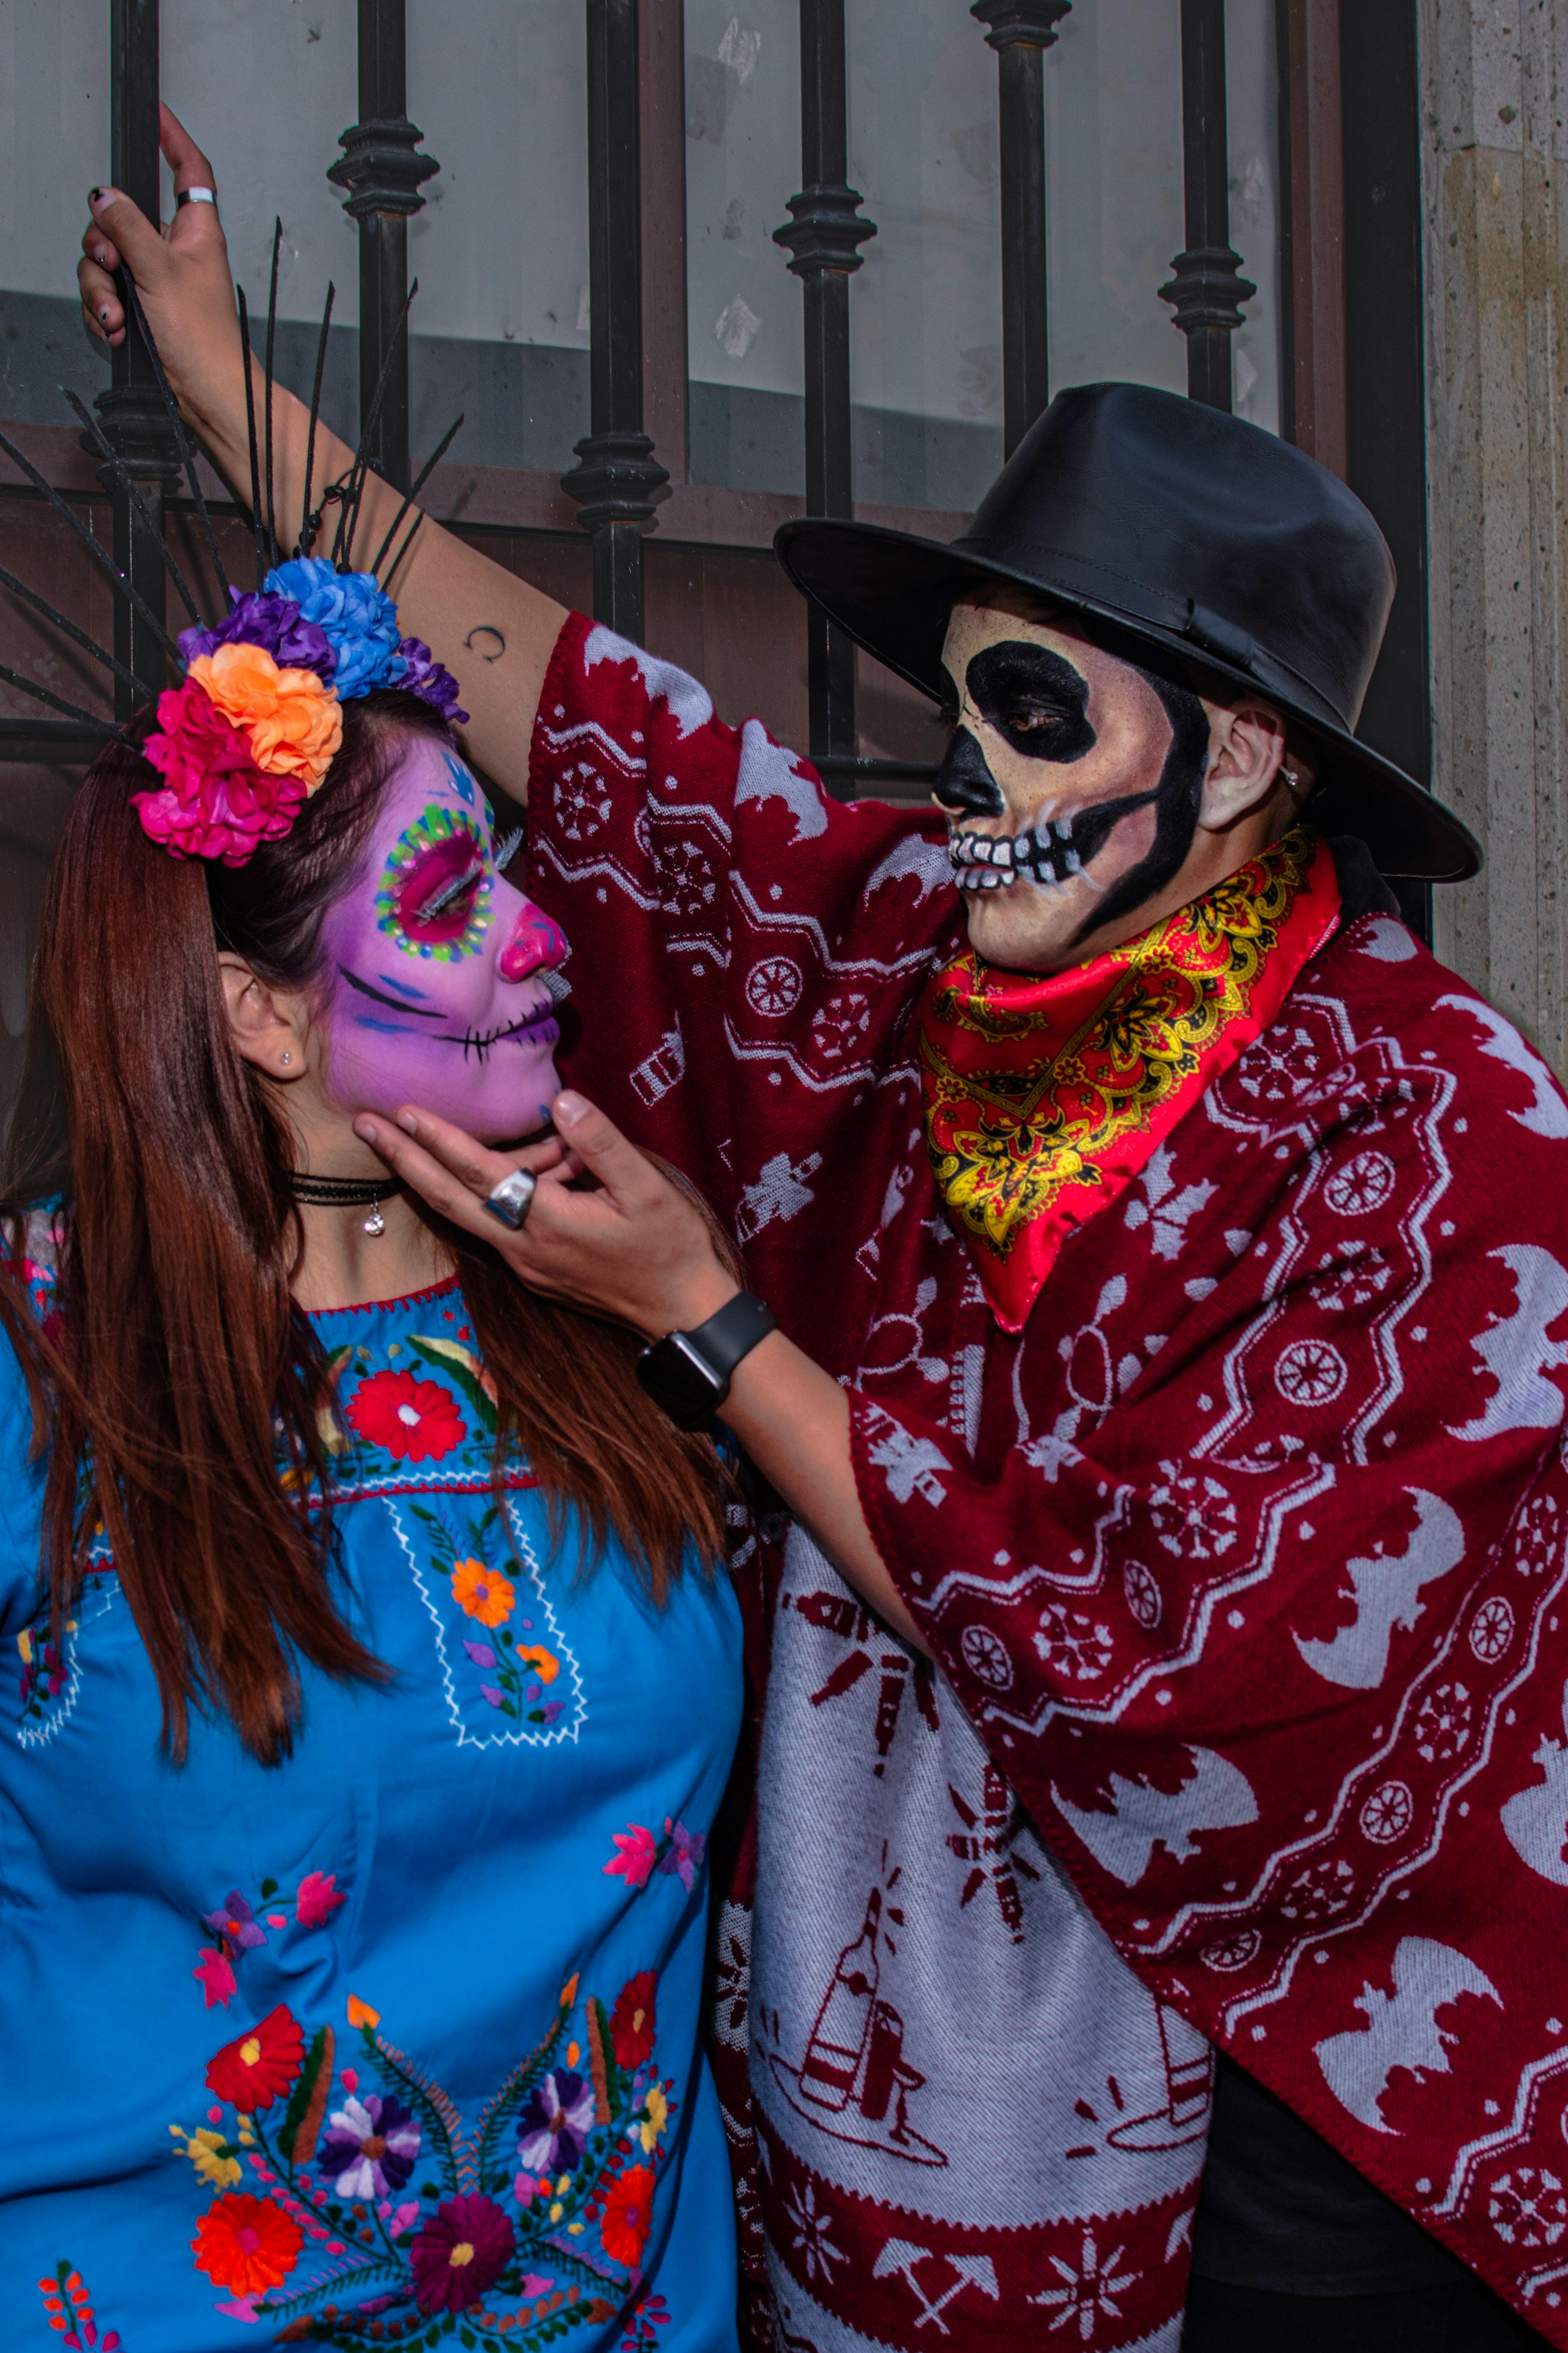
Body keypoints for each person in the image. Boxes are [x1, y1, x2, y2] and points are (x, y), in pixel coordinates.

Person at [78, 113, 1568, 2353]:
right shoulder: (891, 972)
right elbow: (583, 719)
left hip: (1319, 2090)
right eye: (945, 703)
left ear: (1242, 759)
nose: (957, 773)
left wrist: (706, 1320)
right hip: (873, 2118)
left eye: (1032, 714)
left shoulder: (1441, 1127)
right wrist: (213, 372)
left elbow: (1181, 1674)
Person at [0, 531, 744, 2345]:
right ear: (256, 1012)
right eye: (443, 899)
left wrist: (708, 1314)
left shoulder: (623, 1303)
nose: (534, 929)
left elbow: (1017, 1629)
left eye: (500, 871)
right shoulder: (39, 1362)